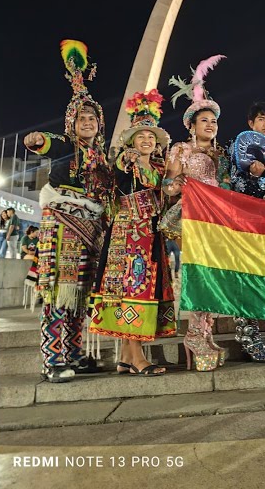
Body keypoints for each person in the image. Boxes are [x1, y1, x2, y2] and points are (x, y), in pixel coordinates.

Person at [22, 40, 117, 383]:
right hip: (63, 225)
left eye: (92, 118)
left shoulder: (103, 158)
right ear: (71, 123)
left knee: (80, 293)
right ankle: (53, 358)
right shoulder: (65, 145)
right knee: (59, 292)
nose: (87, 122)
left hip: (91, 229)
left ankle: (74, 353)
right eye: (81, 118)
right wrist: (35, 141)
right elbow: (43, 143)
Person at [87, 89, 176, 376]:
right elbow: (125, 172)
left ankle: (126, 357)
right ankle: (138, 358)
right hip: (129, 235)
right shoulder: (128, 161)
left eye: (151, 136)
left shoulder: (159, 166)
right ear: (131, 142)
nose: (146, 140)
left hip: (150, 233)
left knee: (143, 287)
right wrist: (131, 159)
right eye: (140, 136)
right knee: (132, 288)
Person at [163, 55, 230, 371]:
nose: (210, 125)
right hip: (191, 217)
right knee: (198, 274)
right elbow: (167, 186)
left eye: (213, 121)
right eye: (204, 120)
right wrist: (179, 183)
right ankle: (192, 334)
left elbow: (226, 187)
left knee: (213, 276)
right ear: (191, 125)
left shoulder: (220, 153)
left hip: (216, 219)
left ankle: (205, 332)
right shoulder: (181, 150)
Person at [220, 100, 265, 357]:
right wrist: (253, 175)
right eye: (261, 119)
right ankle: (249, 336)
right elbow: (233, 183)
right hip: (245, 223)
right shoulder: (235, 146)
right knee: (246, 275)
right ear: (250, 123)